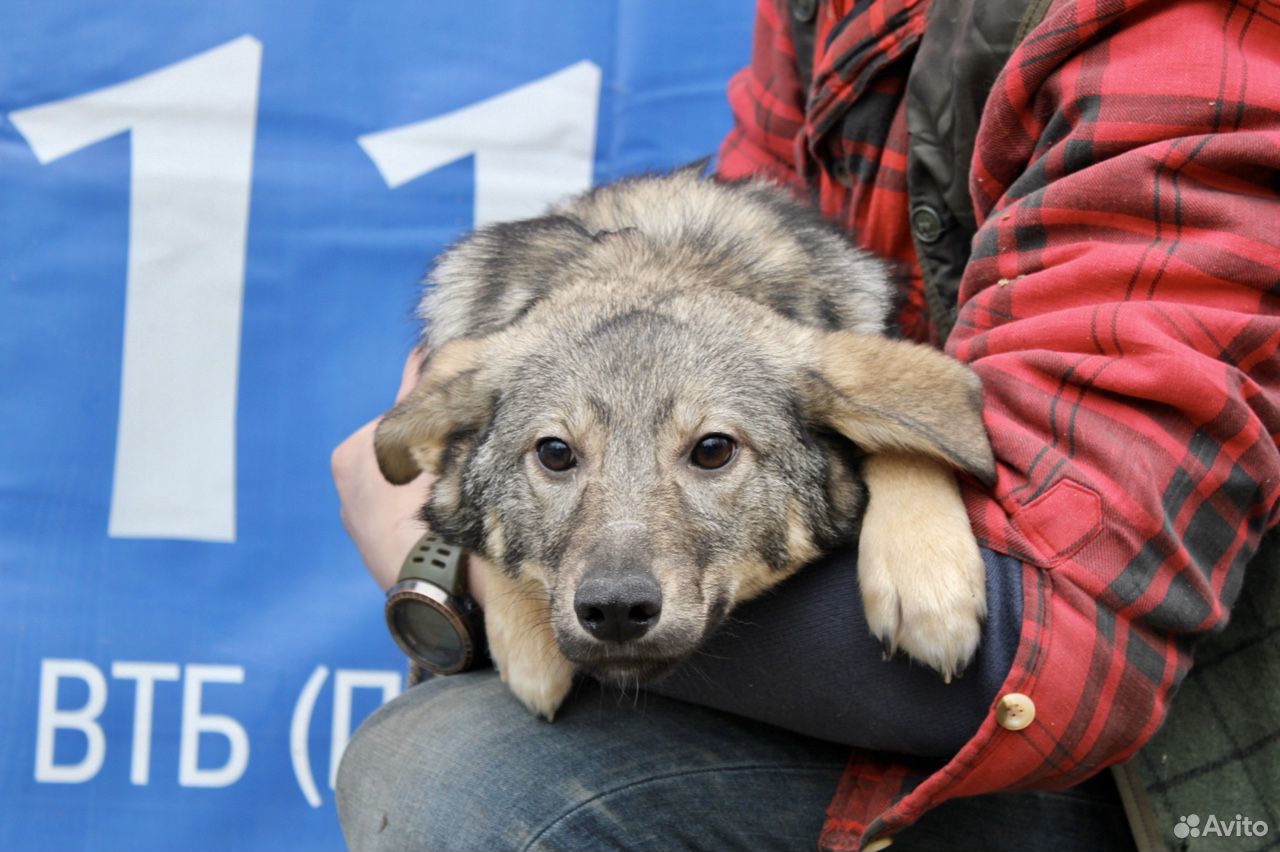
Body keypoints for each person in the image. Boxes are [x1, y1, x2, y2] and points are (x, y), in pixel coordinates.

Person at [331, 0, 1280, 849]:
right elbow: (747, 288)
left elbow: (1052, 651)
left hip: (1179, 777)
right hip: (906, 653)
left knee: (465, 776)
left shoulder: (1190, 45)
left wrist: (475, 563)